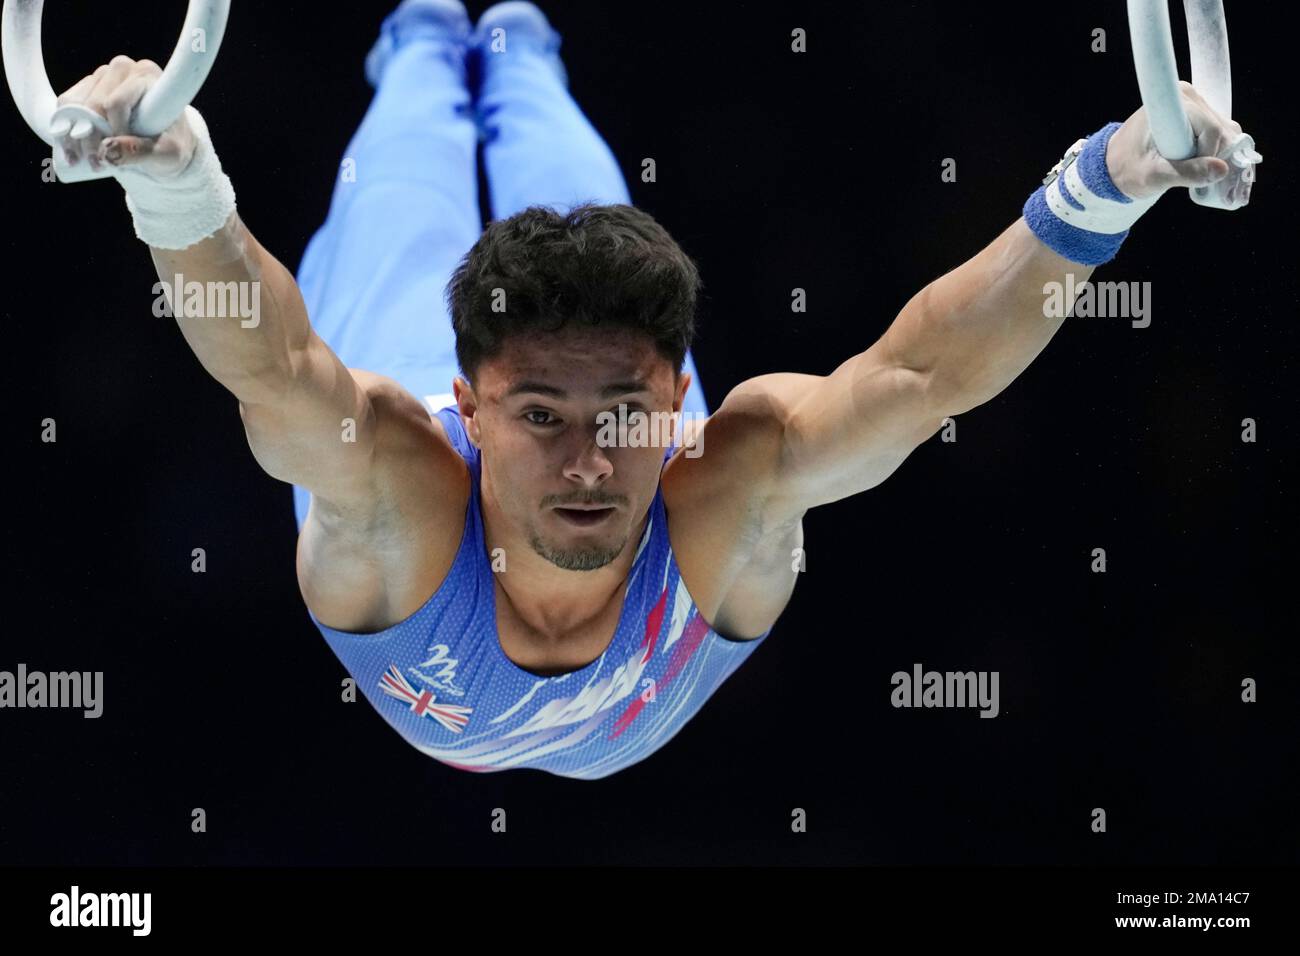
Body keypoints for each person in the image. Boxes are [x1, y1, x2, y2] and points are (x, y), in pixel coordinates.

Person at [51, 1, 1251, 779]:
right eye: (539, 418)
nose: (587, 461)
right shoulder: (397, 483)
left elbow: (921, 370)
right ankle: (422, 34)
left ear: (678, 394)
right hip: (410, 339)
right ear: (471, 407)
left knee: (556, 152)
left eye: (624, 412)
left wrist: (1107, 179)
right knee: (411, 142)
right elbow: (274, 367)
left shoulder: (730, 468)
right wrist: (176, 183)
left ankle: (515, 33)